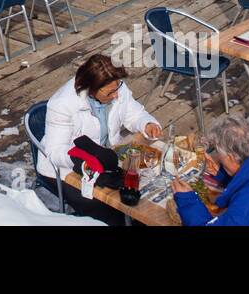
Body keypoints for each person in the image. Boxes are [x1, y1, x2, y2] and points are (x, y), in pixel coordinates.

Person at [38, 54, 163, 224]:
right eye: (110, 92)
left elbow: (134, 113)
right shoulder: (62, 104)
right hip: (65, 170)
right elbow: (54, 152)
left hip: (108, 158)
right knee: (110, 209)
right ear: (91, 88)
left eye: (118, 87)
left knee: (141, 191)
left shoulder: (116, 86)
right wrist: (85, 160)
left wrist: (146, 124)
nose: (117, 95)